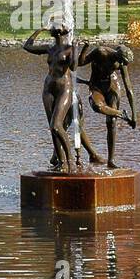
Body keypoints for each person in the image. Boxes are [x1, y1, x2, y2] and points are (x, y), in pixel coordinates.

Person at [23, 22, 91, 173]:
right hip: (48, 88)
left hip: (64, 88)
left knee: (56, 125)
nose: (54, 27)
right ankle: (61, 162)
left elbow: (73, 67)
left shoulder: (68, 48)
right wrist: (39, 30)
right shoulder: (50, 48)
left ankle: (70, 161)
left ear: (62, 32)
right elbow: (27, 46)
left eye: (57, 26)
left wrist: (75, 48)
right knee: (52, 128)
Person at [76, 42, 136, 169]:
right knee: (97, 107)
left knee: (111, 122)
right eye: (123, 63)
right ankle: (120, 113)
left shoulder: (121, 62)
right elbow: (80, 63)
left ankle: (111, 160)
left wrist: (135, 115)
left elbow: (128, 87)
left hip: (112, 86)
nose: (123, 66)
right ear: (117, 56)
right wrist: (85, 49)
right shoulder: (100, 52)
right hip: (97, 85)